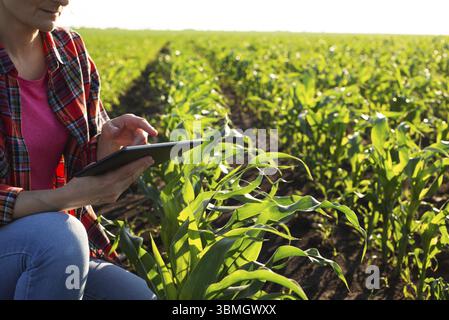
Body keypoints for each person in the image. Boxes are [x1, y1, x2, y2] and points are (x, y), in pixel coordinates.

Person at [0, 0, 158, 300]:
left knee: (137, 296)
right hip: (51, 241)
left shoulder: (68, 49)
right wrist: (65, 198)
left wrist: (107, 147)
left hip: (60, 246)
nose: (63, 0)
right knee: (57, 237)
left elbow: (77, 161)